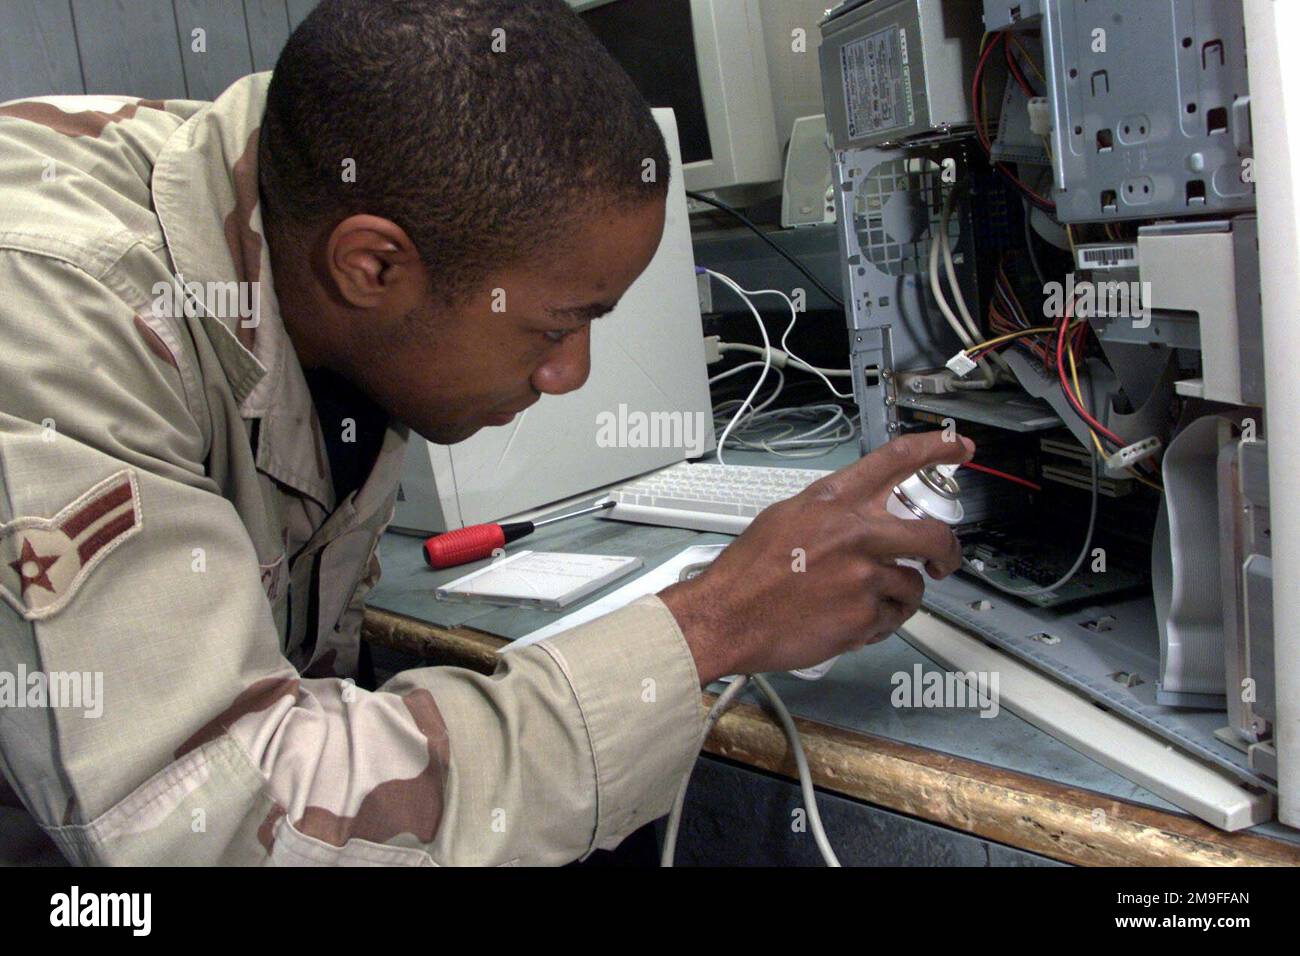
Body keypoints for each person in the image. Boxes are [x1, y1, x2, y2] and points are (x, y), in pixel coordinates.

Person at [0, 0, 969, 865]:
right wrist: (711, 625)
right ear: (371, 267)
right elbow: (209, 823)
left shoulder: (313, 204)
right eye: (554, 325)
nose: (568, 374)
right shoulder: (56, 311)